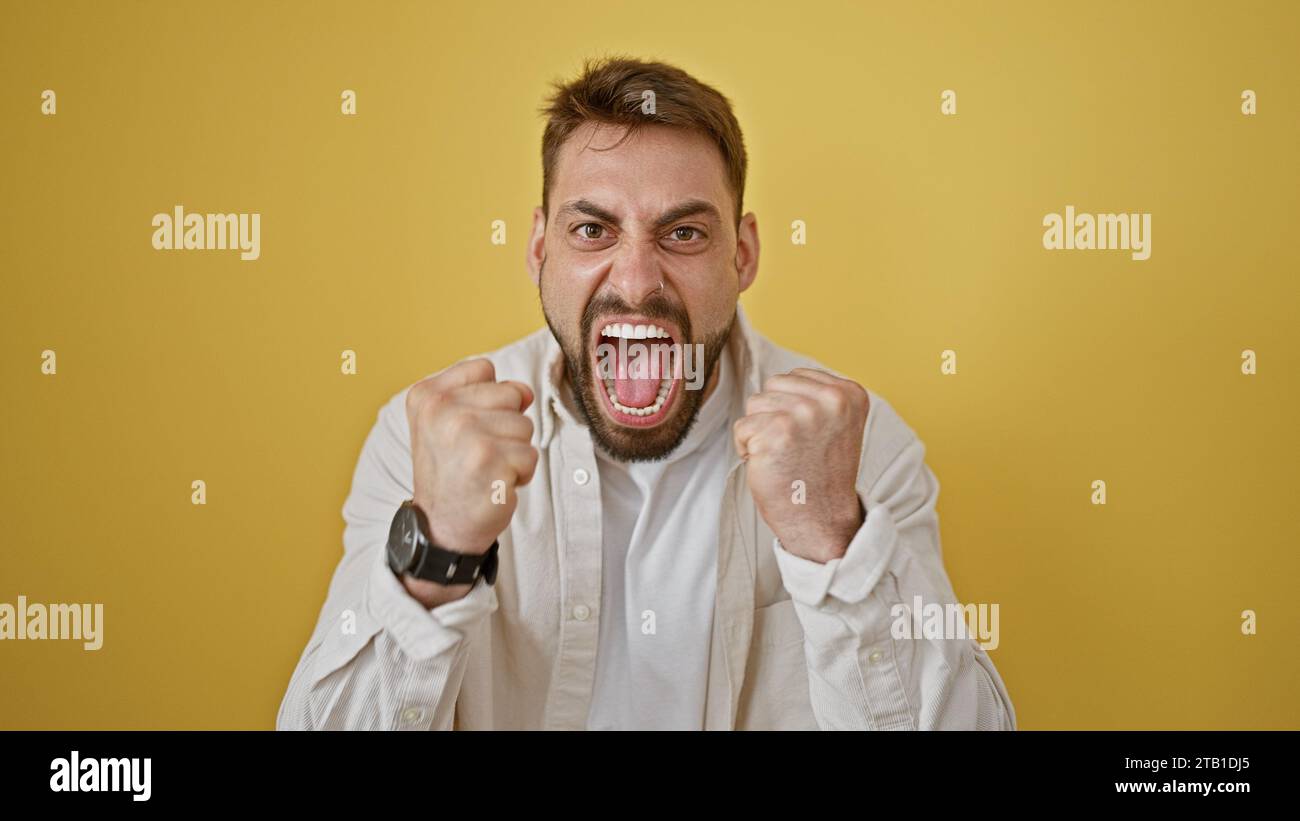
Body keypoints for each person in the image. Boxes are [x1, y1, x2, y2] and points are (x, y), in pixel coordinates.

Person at [277, 56, 1016, 730]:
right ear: (540, 249)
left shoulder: (857, 446)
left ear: (743, 253)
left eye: (684, 234)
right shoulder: (426, 442)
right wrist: (437, 552)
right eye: (593, 229)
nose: (635, 282)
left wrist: (833, 543)